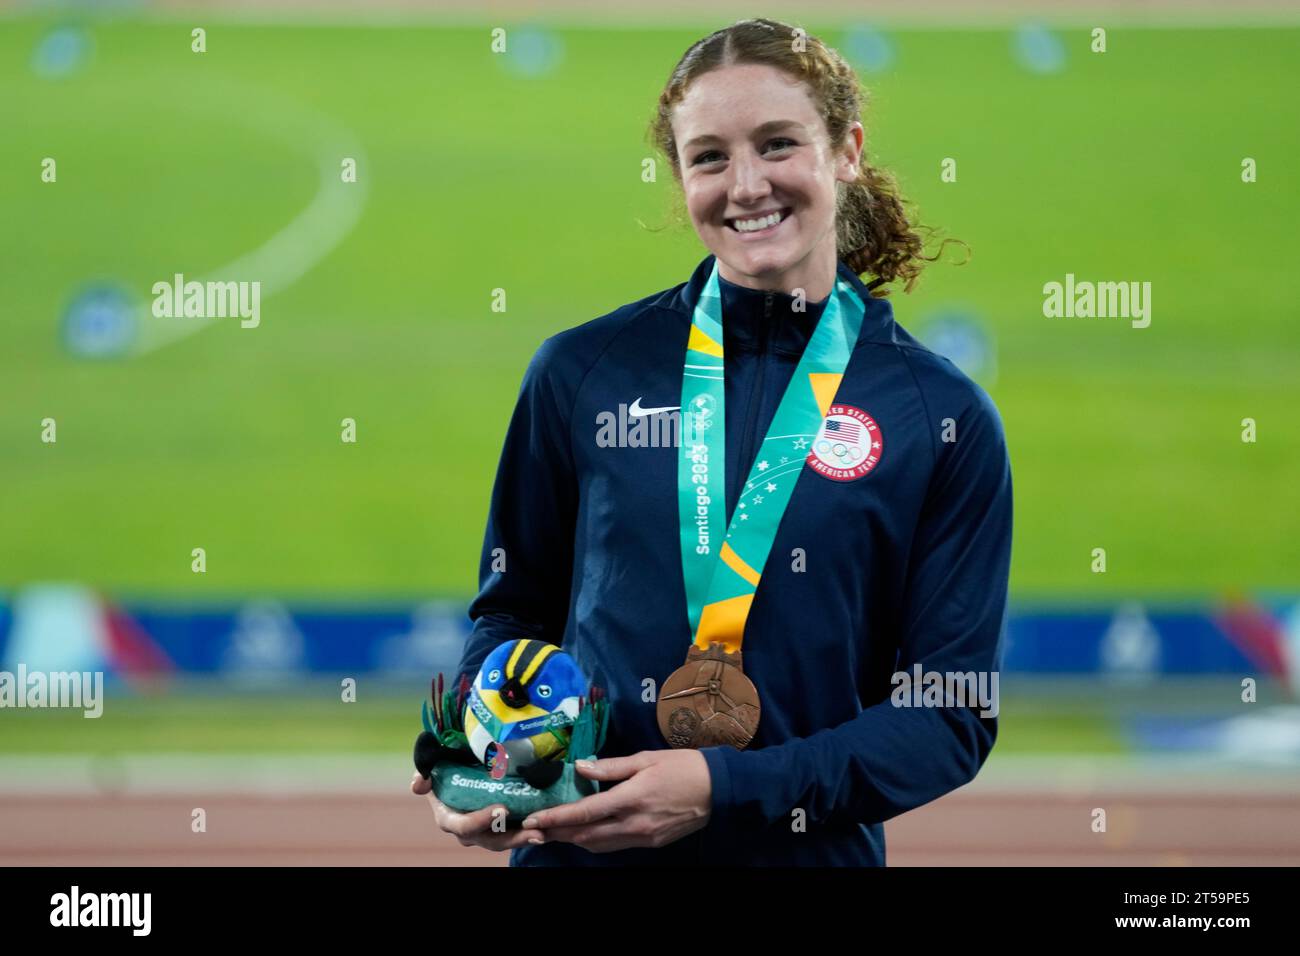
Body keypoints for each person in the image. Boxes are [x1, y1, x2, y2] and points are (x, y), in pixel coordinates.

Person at [412, 17, 1013, 866]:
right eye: (709, 158)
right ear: (680, 176)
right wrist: (476, 750)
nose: (746, 186)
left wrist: (727, 790)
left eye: (777, 145)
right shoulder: (583, 373)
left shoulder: (938, 416)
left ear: (846, 150)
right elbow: (514, 611)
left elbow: (949, 716)